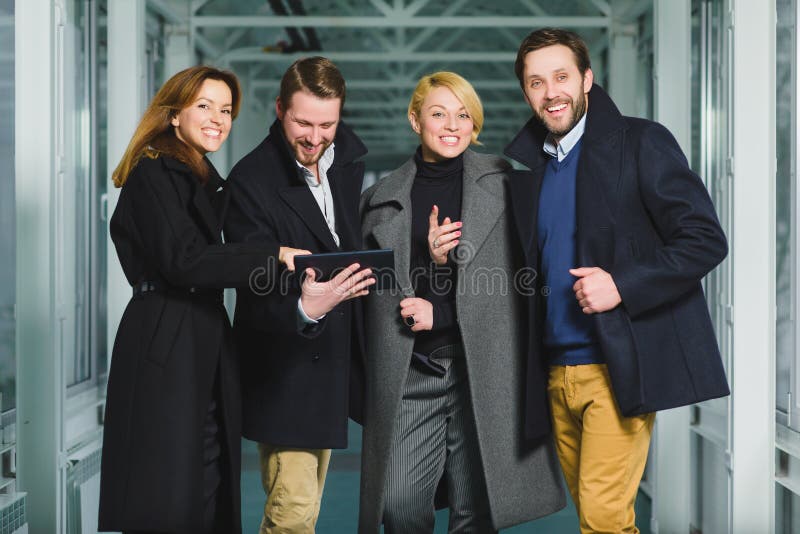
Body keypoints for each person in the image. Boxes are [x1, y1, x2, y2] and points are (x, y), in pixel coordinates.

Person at [504, 28, 730, 533]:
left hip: (616, 365)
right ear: (526, 93)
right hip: (553, 373)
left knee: (603, 517)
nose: (551, 91)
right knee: (598, 517)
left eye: (562, 76)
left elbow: (705, 238)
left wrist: (622, 285)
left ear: (587, 78)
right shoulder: (530, 171)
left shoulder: (642, 142)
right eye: (536, 82)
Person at [97, 65, 318, 533]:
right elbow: (186, 260)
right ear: (174, 114)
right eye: (204, 106)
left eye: (226, 110)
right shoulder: (154, 171)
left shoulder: (197, 175)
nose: (218, 118)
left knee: (206, 476)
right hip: (167, 334)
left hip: (201, 331)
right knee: (170, 489)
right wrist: (273, 255)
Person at [358, 71, 565, 534]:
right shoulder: (380, 199)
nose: (452, 125)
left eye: (463, 115)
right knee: (399, 506)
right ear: (415, 121)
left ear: (475, 125)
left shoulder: (510, 186)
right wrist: (429, 262)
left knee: (475, 513)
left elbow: (524, 283)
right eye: (438, 113)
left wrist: (445, 308)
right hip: (414, 369)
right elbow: (379, 294)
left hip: (483, 373)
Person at [223, 56, 373, 534]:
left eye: (327, 124)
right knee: (293, 515)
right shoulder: (251, 182)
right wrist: (307, 306)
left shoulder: (345, 163)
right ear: (279, 110)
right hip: (285, 371)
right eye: (302, 122)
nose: (314, 137)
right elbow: (252, 280)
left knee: (305, 511)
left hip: (331, 367)